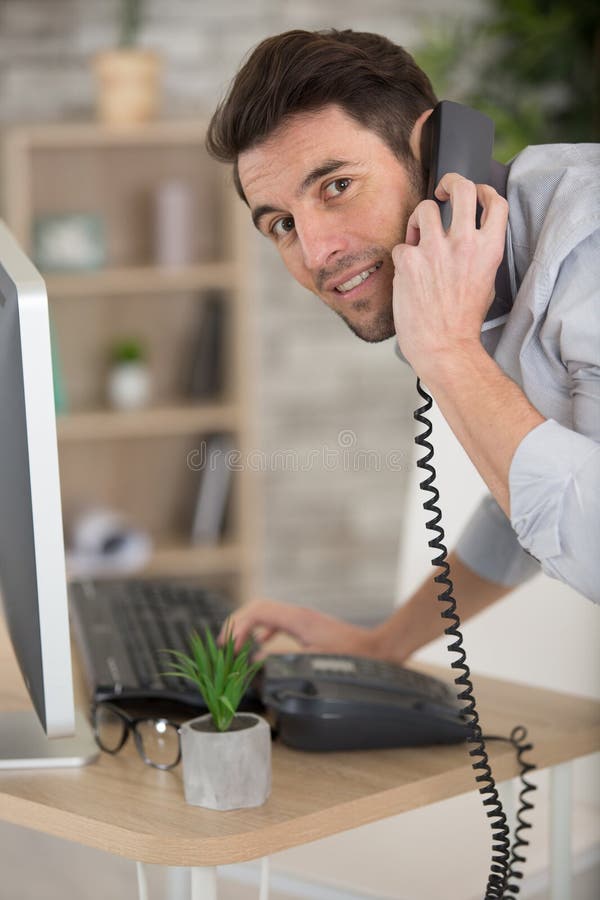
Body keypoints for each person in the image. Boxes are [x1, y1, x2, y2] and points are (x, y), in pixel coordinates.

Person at [206, 28, 600, 662]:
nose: (315, 253)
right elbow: (530, 489)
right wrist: (383, 643)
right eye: (281, 224)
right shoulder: (462, 285)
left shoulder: (587, 249)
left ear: (441, 154)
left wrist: (447, 353)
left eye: (336, 187)